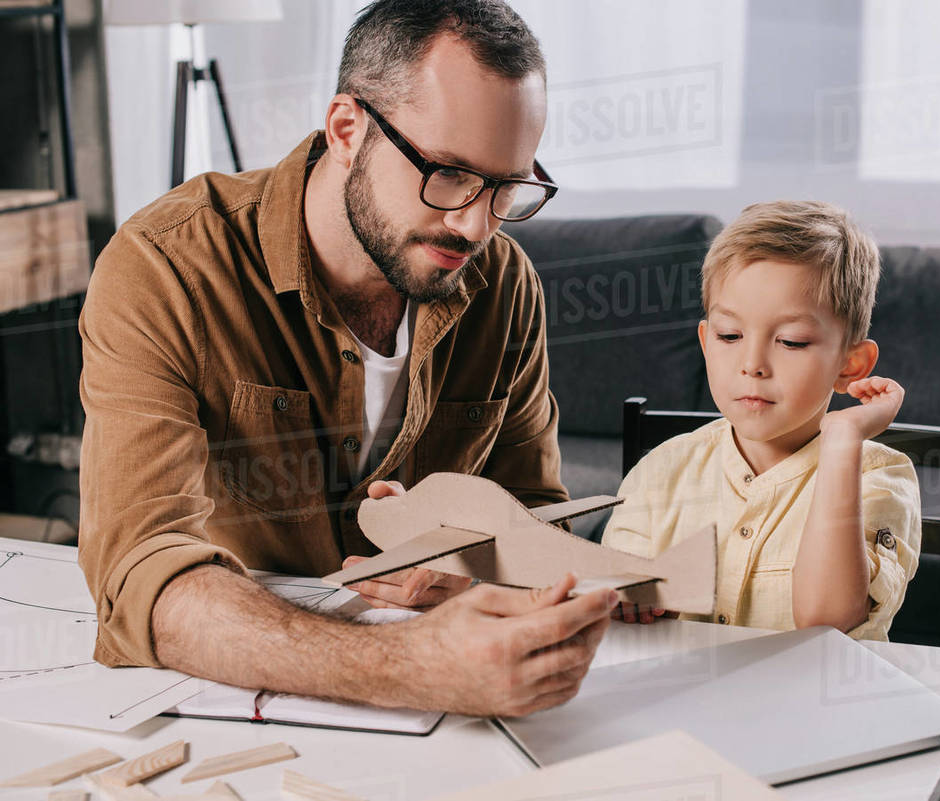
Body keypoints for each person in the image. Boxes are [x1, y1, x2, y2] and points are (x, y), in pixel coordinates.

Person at [77, 0, 617, 717]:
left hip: (454, 715)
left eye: (506, 186)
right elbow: (141, 572)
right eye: (450, 173)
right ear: (346, 129)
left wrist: (468, 573)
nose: (475, 224)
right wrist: (409, 666)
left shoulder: (504, 283)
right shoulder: (165, 267)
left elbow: (539, 520)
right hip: (223, 693)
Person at [602, 201, 920, 640]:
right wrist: (624, 600)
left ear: (850, 364)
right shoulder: (661, 471)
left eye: (791, 341)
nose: (752, 364)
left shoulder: (880, 476)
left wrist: (842, 438)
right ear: (706, 342)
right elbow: (613, 608)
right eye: (729, 336)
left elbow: (826, 621)